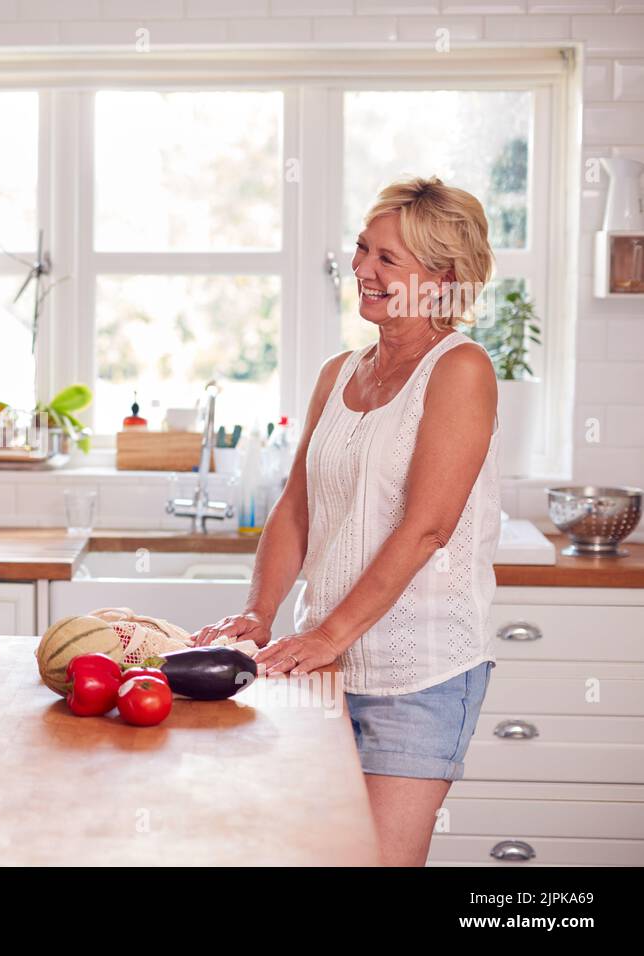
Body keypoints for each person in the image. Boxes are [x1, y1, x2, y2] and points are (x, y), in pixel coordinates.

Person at [194, 177, 501, 866]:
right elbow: (297, 506)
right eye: (363, 249)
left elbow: (427, 527)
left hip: (417, 675)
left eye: (388, 258)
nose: (363, 269)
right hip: (322, 668)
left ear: (441, 278)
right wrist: (260, 612)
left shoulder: (461, 370)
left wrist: (330, 633)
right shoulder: (339, 373)